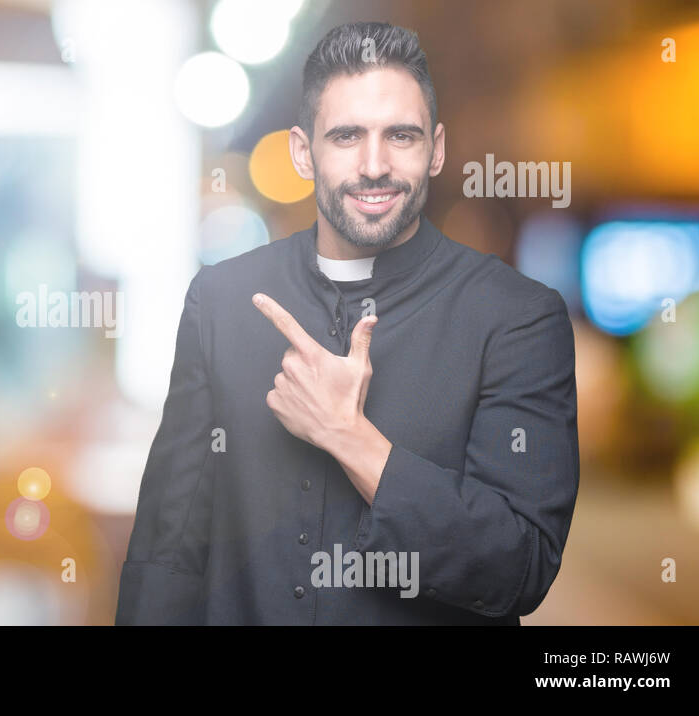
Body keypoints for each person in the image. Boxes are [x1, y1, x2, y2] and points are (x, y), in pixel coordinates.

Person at [116, 21, 579, 625]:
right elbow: (165, 551)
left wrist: (349, 436)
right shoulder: (221, 300)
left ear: (435, 149)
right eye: (346, 136)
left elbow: (519, 566)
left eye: (401, 136)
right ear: (303, 152)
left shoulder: (517, 318)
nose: (374, 164)